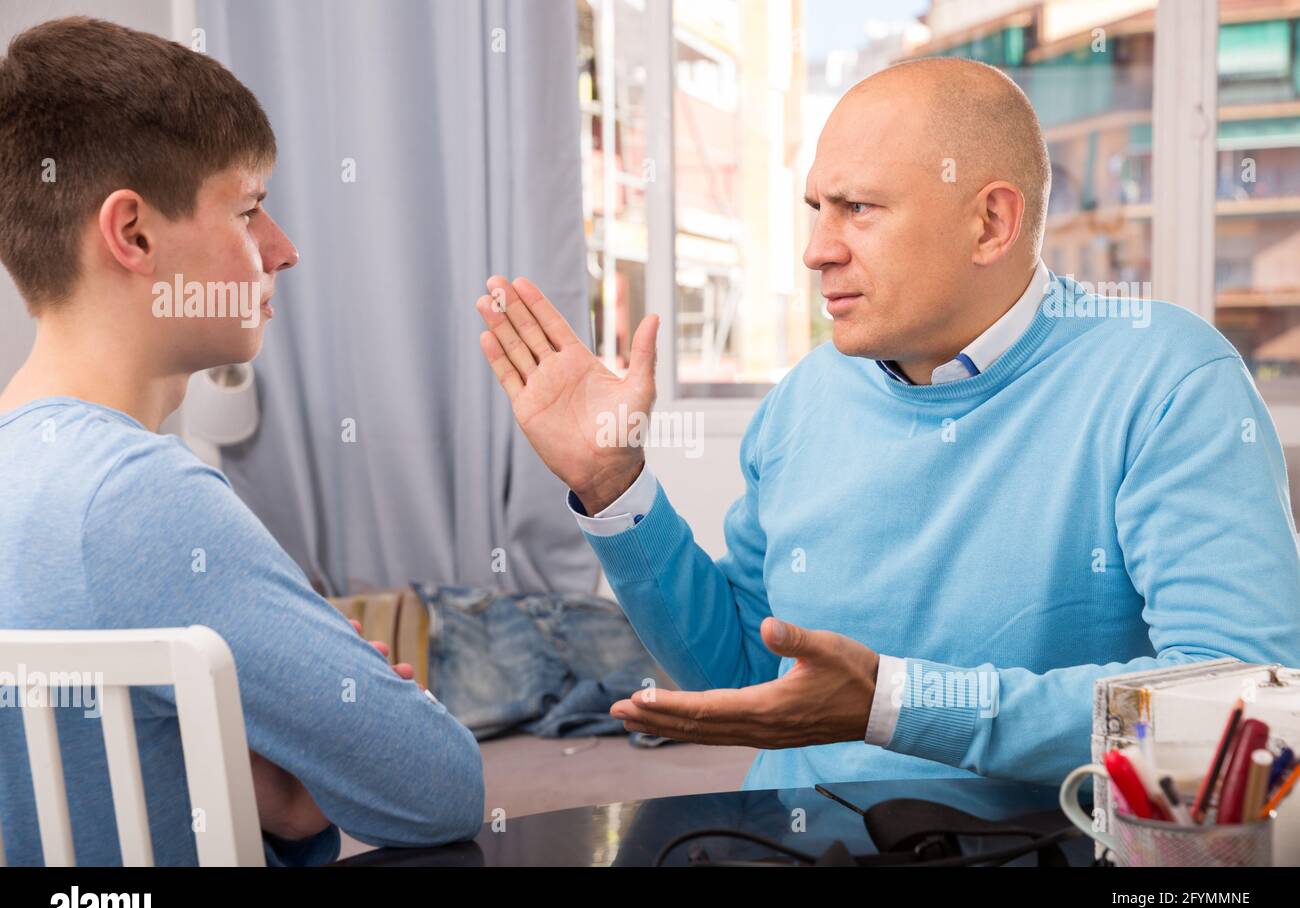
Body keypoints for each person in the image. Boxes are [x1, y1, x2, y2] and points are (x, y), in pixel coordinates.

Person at [476, 57, 1300, 790]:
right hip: (789, 838)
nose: (816, 250)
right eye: (814, 209)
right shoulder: (803, 400)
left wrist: (900, 706)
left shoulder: (1167, 379)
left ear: (991, 223)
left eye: (858, 208)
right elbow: (744, 669)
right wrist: (611, 482)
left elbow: (1240, 708)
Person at [0, 17, 482, 865]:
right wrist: (295, 785)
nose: (283, 251)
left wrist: (275, 793)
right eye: (250, 208)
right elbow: (440, 789)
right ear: (134, 235)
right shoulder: (139, 497)